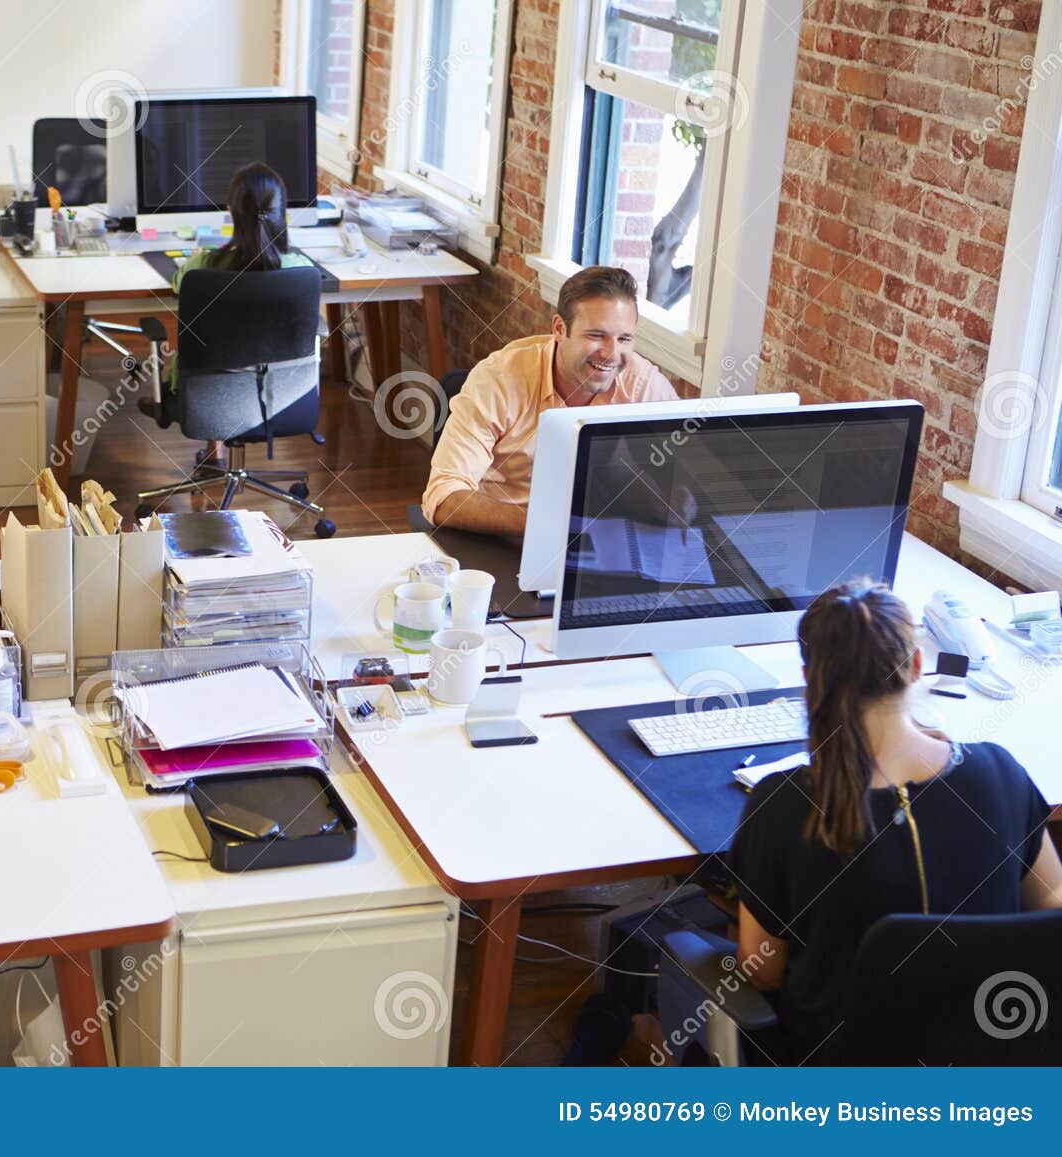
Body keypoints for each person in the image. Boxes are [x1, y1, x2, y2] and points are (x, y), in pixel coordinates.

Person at [729, 581, 1062, 1062]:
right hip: (997, 1061)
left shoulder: (783, 807)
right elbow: (1051, 904)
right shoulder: (1000, 773)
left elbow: (764, 973)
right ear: (916, 666)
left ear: (810, 677)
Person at [421, 265, 679, 536]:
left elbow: (692, 468)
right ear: (559, 328)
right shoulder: (498, 379)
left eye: (624, 338)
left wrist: (678, 500)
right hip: (501, 538)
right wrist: (550, 526)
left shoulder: (643, 385)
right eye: (596, 335)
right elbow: (442, 497)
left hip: (598, 541)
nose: (612, 354)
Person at [139, 162, 313, 468]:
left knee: (219, 357)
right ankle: (214, 453)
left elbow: (180, 283)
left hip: (206, 395)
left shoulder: (203, 268)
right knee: (240, 356)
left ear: (230, 210)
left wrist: (201, 259)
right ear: (281, 210)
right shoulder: (300, 268)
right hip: (283, 396)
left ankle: (214, 453)